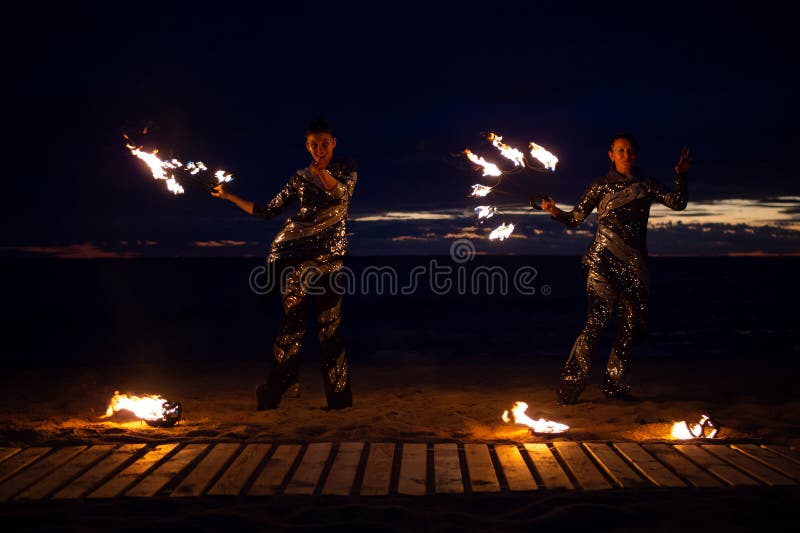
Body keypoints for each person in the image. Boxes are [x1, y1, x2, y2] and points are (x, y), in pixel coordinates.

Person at [212, 118, 357, 410]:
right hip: (297, 261)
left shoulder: (345, 169)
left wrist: (323, 172)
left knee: (330, 330)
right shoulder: (299, 178)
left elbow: (340, 194)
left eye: (324, 143)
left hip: (331, 263)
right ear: (307, 146)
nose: (319, 149)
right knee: (292, 327)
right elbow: (267, 211)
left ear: (334, 143)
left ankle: (339, 399)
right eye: (314, 145)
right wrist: (228, 196)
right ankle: (276, 391)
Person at [538, 133, 690, 405]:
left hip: (634, 265)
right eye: (620, 151)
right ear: (611, 154)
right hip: (602, 262)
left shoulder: (646, 184)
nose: (625, 155)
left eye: (630, 151)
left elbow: (678, 203)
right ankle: (572, 385)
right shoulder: (600, 186)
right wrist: (553, 210)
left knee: (630, 325)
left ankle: (615, 383)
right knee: (596, 323)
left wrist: (681, 175)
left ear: (636, 154)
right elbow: (575, 219)